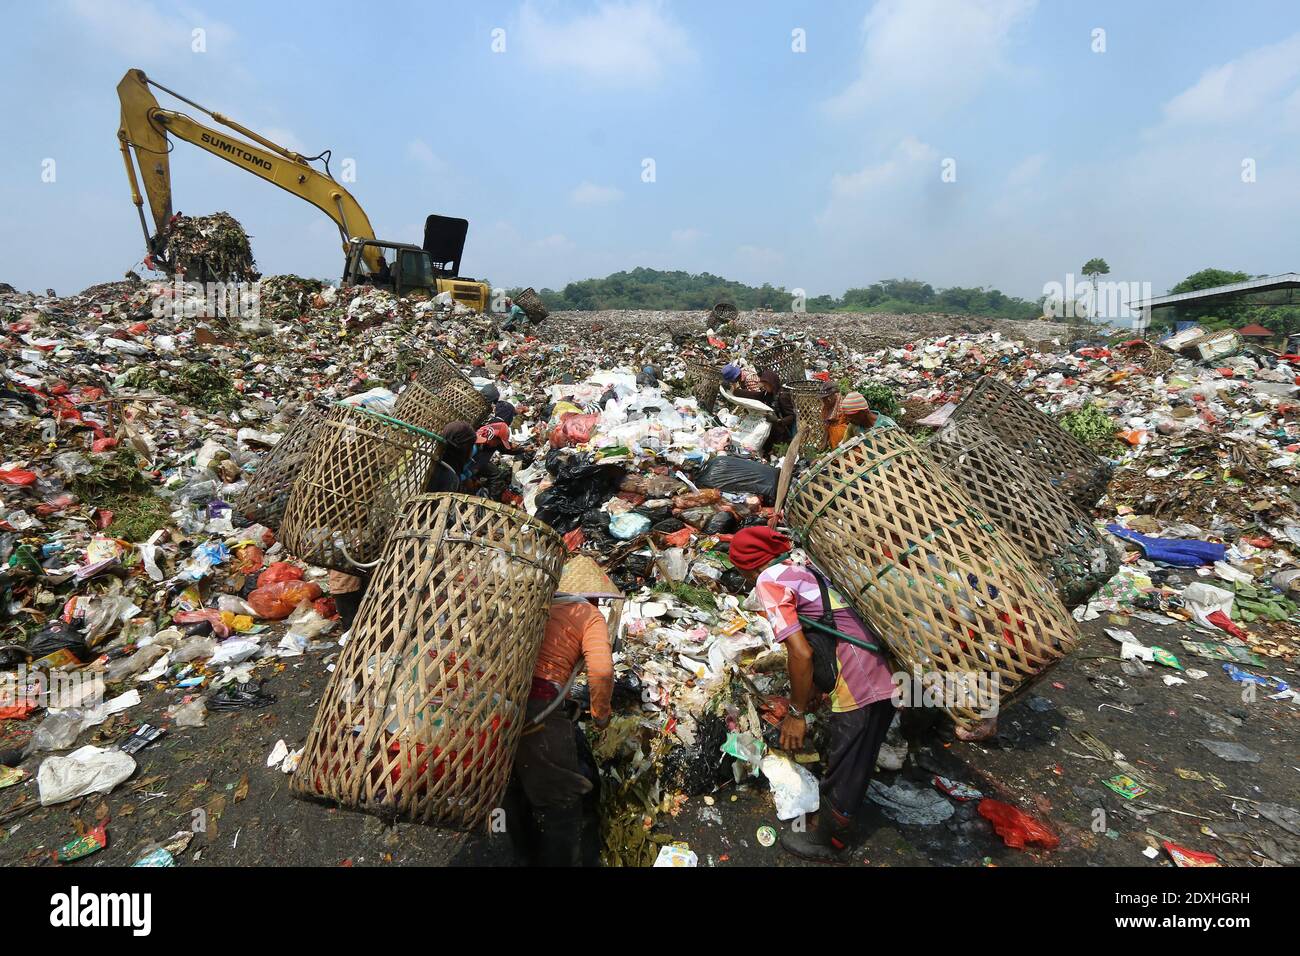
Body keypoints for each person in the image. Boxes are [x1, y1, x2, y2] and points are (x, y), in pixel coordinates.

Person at [728, 526, 898, 863]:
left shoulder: (768, 581)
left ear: (748, 565)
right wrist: (819, 687)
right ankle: (837, 822)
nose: (743, 577)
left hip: (858, 676)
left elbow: (801, 654)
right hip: (886, 666)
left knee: (846, 762)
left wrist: (796, 713)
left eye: (739, 570)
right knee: (861, 754)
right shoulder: (804, 564)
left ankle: (830, 841)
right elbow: (826, 628)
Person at [503, 556, 618, 866]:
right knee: (561, 801)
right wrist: (601, 714)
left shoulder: (535, 602)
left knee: (510, 787)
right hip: (539, 708)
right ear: (594, 594)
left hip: (499, 703)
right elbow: (602, 672)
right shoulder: (588, 614)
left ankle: (522, 856)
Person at [467, 401, 530, 499]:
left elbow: (501, 446)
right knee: (496, 475)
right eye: (511, 415)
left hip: (478, 461)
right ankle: (492, 499)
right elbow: (503, 448)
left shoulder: (492, 423)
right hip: (478, 461)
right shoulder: (498, 427)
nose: (512, 418)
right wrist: (522, 449)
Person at [733, 368, 795, 457]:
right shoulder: (768, 394)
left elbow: (791, 416)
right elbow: (755, 395)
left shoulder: (782, 396)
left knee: (776, 454)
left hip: (781, 433)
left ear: (772, 384)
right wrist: (736, 392)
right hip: (771, 430)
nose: (764, 388)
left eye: (766, 385)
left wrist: (778, 420)